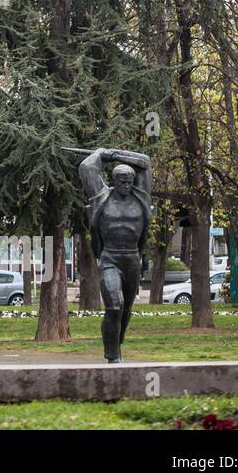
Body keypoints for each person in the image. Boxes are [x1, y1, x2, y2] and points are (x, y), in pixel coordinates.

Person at [78, 148, 151, 363]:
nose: (127, 186)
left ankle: (116, 342)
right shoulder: (102, 196)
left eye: (130, 182)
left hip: (132, 259)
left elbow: (145, 161)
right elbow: (86, 167)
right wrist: (102, 154)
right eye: (122, 182)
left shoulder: (141, 196)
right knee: (114, 305)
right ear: (114, 181)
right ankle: (113, 356)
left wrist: (116, 154)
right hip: (110, 257)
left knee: (126, 309)